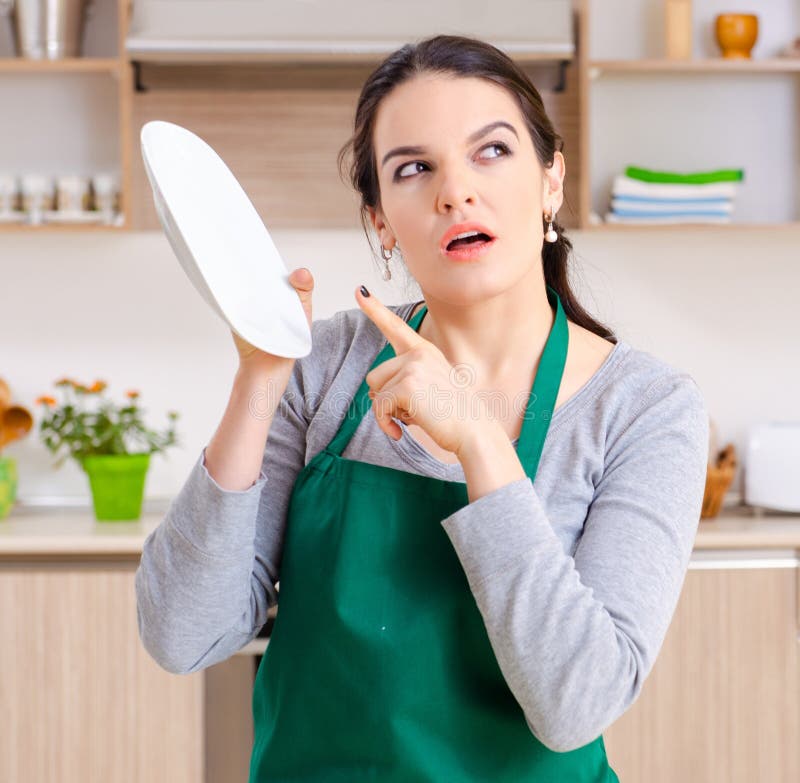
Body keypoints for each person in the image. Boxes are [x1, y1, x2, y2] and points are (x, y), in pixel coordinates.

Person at [136, 34, 709, 782]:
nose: (455, 191)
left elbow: (577, 704)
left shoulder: (645, 408)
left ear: (550, 180)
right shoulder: (323, 367)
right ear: (380, 220)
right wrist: (260, 378)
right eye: (413, 168)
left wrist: (478, 438)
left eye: (492, 151)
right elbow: (182, 634)